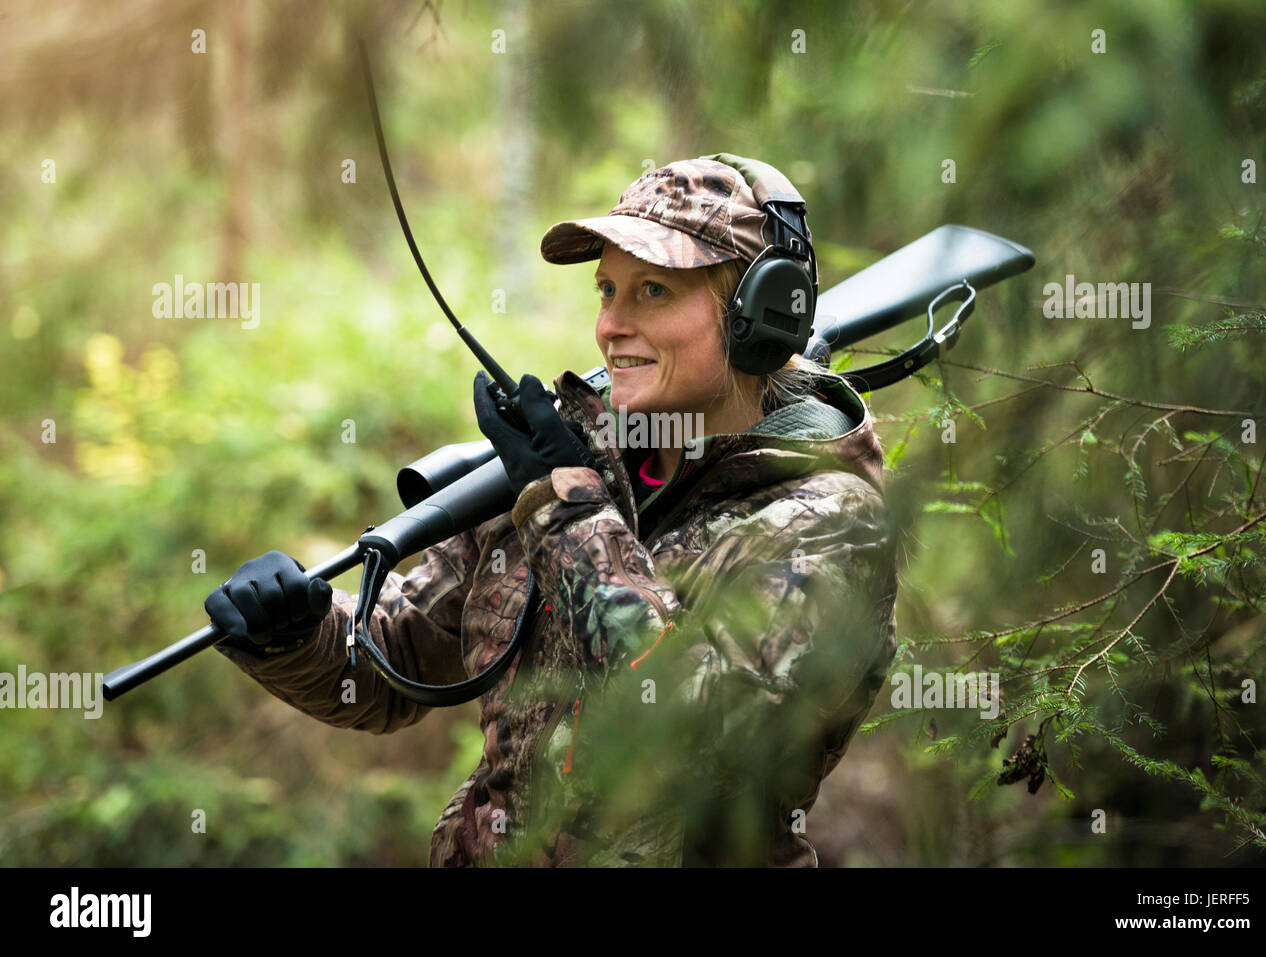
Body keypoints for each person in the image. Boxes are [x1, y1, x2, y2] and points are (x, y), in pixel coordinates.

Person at [205, 155, 900, 867]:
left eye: (653, 290)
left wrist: (565, 509)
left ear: (759, 315)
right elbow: (400, 661)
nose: (611, 325)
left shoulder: (829, 521)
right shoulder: (575, 468)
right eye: (607, 290)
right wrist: (296, 630)